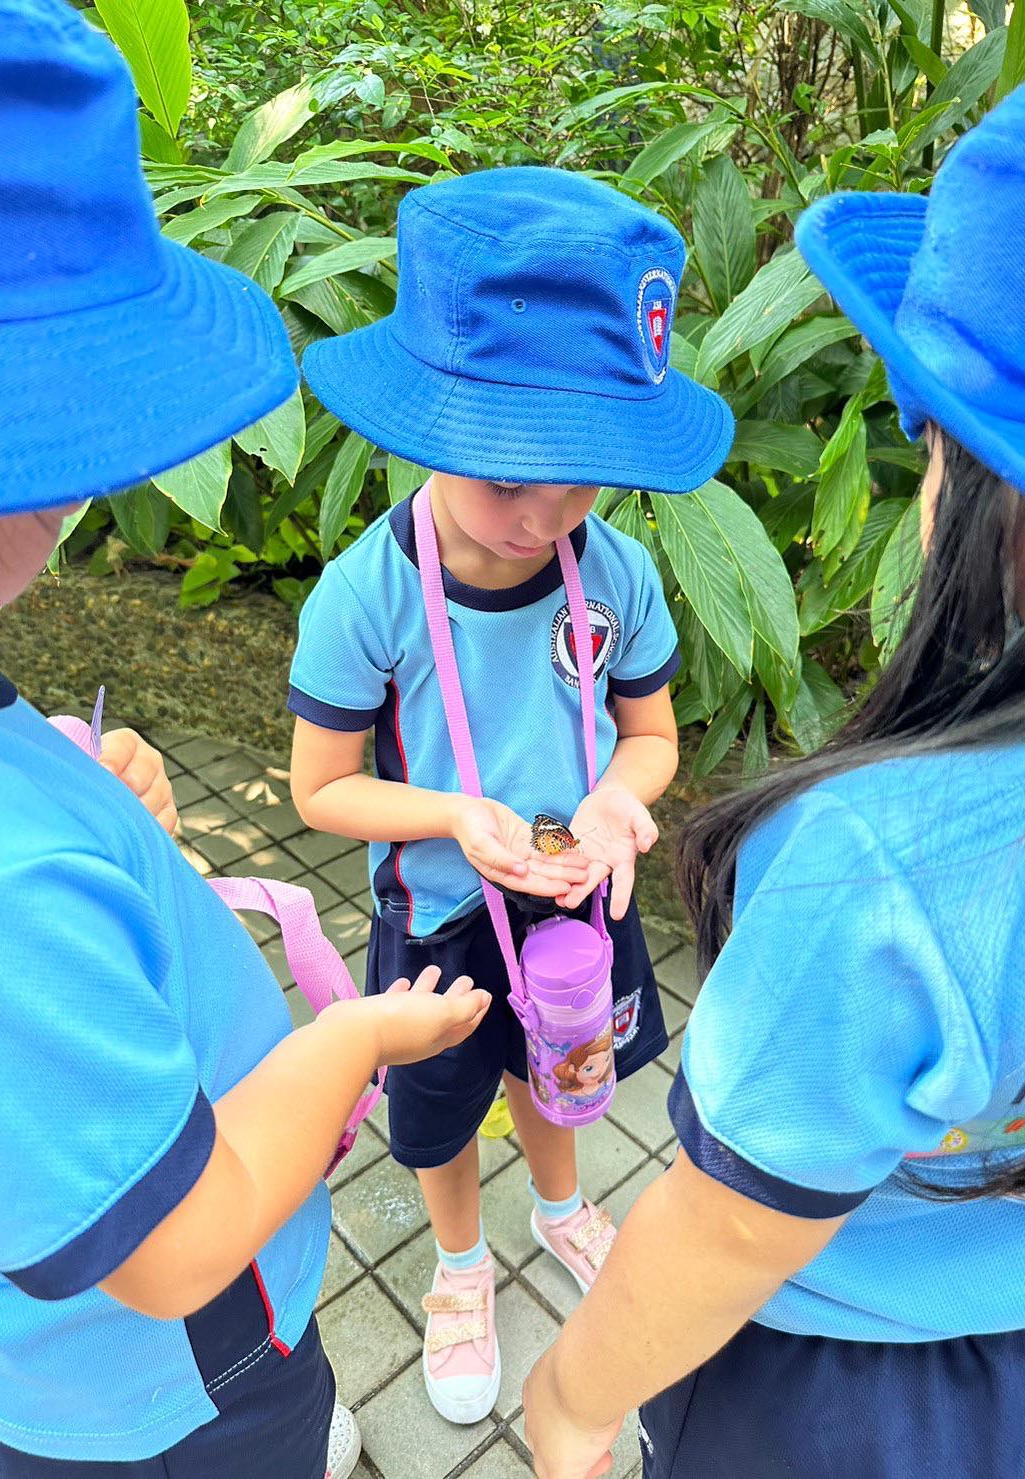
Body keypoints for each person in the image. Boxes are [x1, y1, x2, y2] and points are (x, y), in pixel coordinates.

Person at [523, 46, 1025, 1479]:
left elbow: (726, 1228)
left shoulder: (882, 865)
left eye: (926, 449)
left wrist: (575, 1394)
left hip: (825, 1378)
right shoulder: (374, 591)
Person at [0, 6, 490, 1476]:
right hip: (175, 1375)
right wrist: (351, 1037)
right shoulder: (369, 596)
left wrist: (95, 818)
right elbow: (175, 1243)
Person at [287, 166, 735, 1424]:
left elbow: (647, 738)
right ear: (424, 429)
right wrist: (450, 818)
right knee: (435, 1111)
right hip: (436, 919)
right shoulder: (363, 598)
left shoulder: (619, 575)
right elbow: (319, 789)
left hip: (578, 908)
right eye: (503, 474)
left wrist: (615, 805)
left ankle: (557, 1204)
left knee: (562, 1074)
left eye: (580, 471)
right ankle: (460, 1263)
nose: (542, 517)